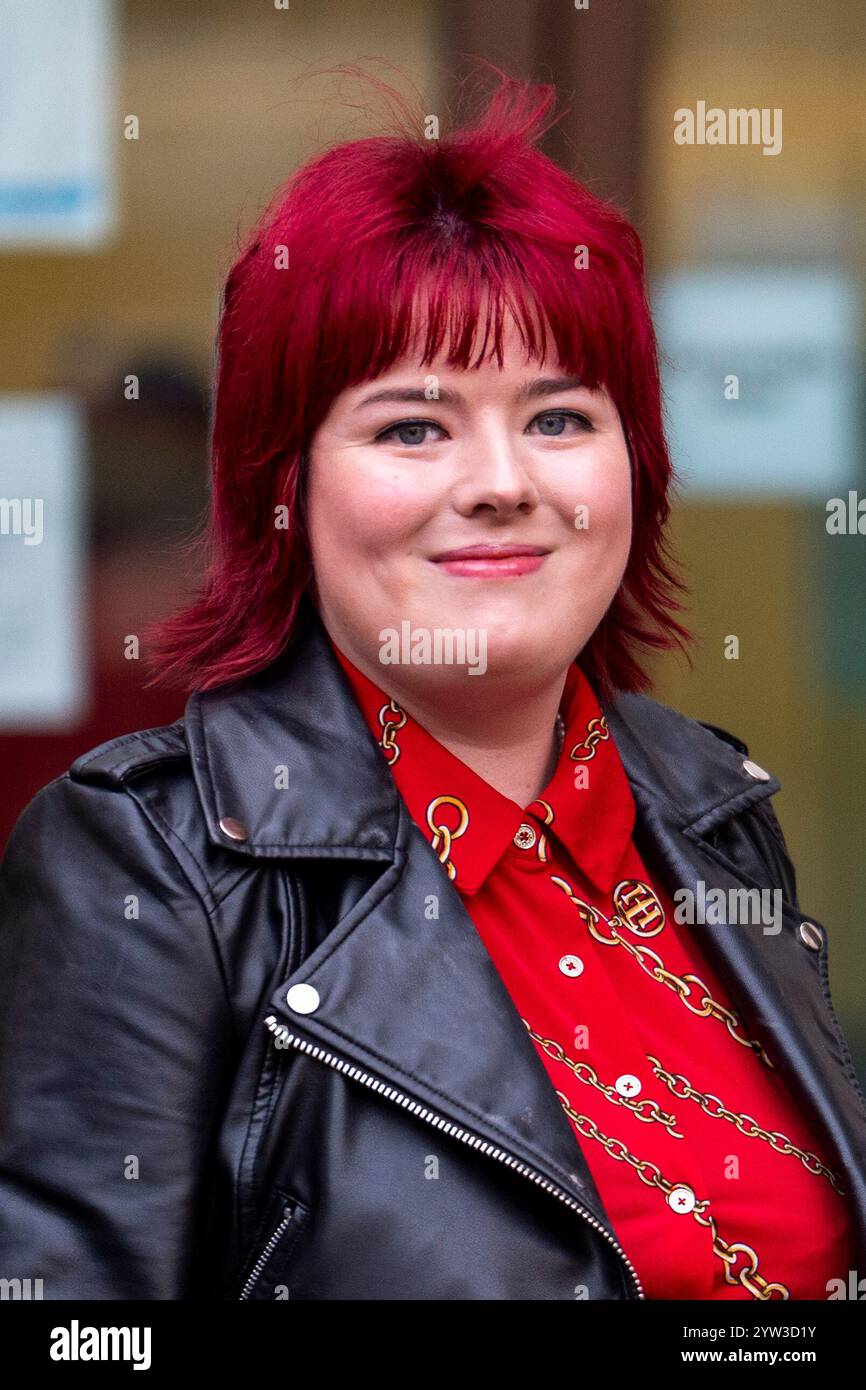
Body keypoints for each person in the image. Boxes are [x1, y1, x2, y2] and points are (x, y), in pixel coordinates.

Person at [1, 73, 865, 1302]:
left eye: (560, 416)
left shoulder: (711, 808)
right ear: (283, 490)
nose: (501, 480)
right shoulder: (152, 864)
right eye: (413, 428)